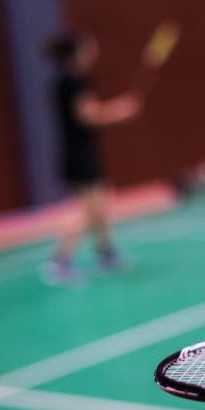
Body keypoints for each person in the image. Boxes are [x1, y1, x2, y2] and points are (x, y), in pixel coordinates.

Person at [42, 32, 142, 284]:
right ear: (76, 53)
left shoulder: (64, 81)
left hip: (77, 150)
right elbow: (88, 115)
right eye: (86, 47)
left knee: (101, 202)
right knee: (86, 210)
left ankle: (106, 253)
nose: (92, 50)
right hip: (78, 153)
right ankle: (59, 261)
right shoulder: (75, 83)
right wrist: (121, 110)